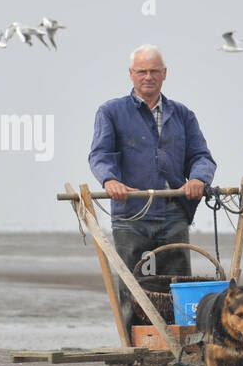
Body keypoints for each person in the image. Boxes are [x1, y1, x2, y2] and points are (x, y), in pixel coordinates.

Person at [88, 45, 217, 320]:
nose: (148, 77)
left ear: (164, 74)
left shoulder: (182, 115)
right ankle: (134, 346)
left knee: (179, 284)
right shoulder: (111, 112)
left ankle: (180, 344)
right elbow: (100, 155)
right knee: (131, 285)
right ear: (131, 74)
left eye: (154, 71)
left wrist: (197, 178)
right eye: (142, 71)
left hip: (173, 212)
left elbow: (202, 157)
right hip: (131, 212)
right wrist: (111, 180)